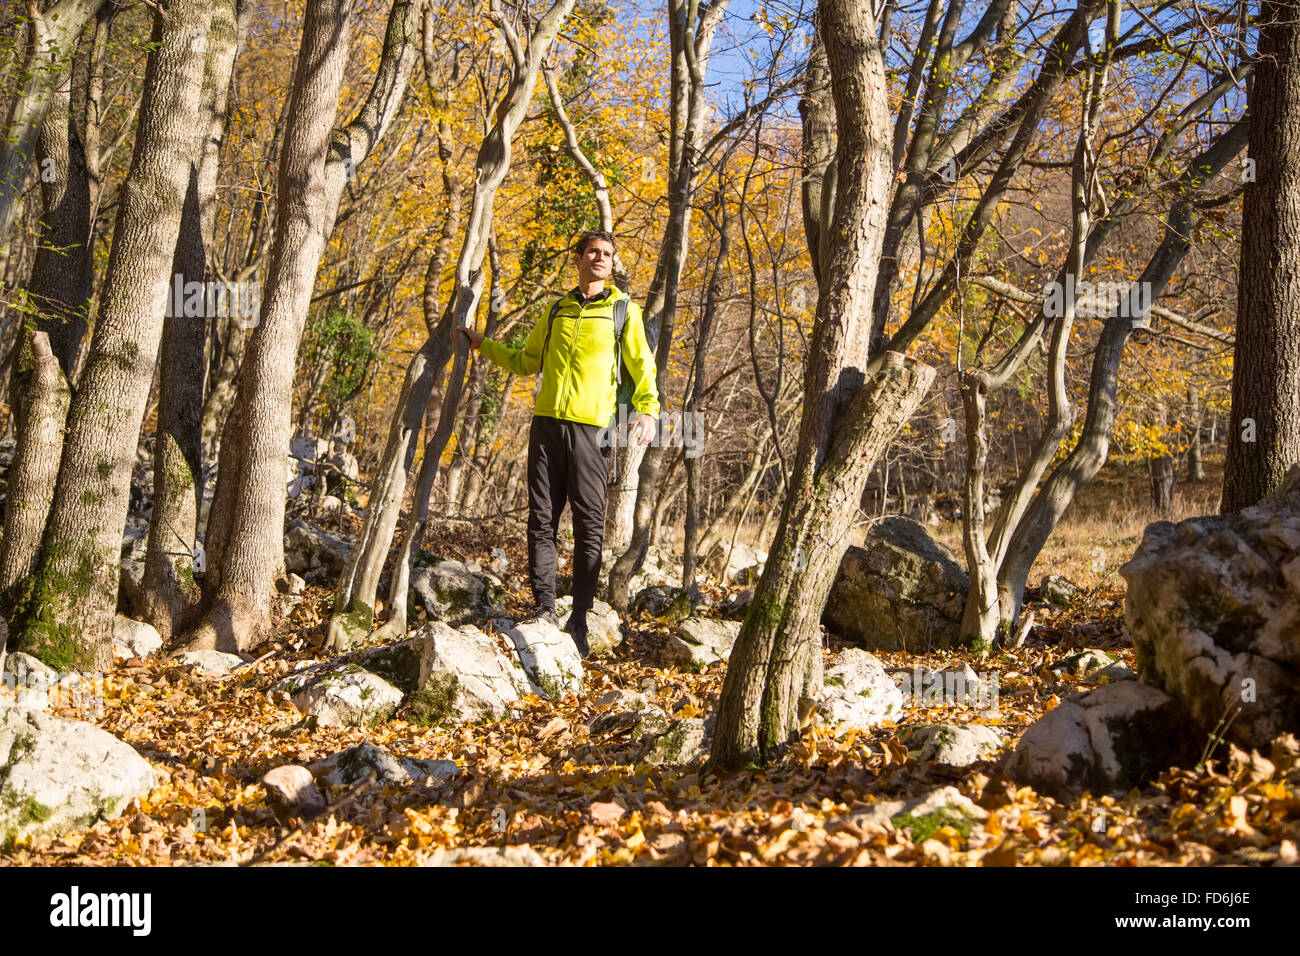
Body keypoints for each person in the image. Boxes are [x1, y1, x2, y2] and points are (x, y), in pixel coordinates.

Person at [454, 229, 659, 656]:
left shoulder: (623, 310)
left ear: (611, 263)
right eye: (592, 252)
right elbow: (525, 361)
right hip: (546, 427)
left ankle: (580, 617)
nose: (600, 258)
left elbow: (642, 366)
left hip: (593, 431)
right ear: (579, 259)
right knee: (542, 520)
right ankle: (545, 608)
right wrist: (483, 344)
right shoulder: (557, 310)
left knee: (587, 527)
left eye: (607, 254)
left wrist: (648, 410)